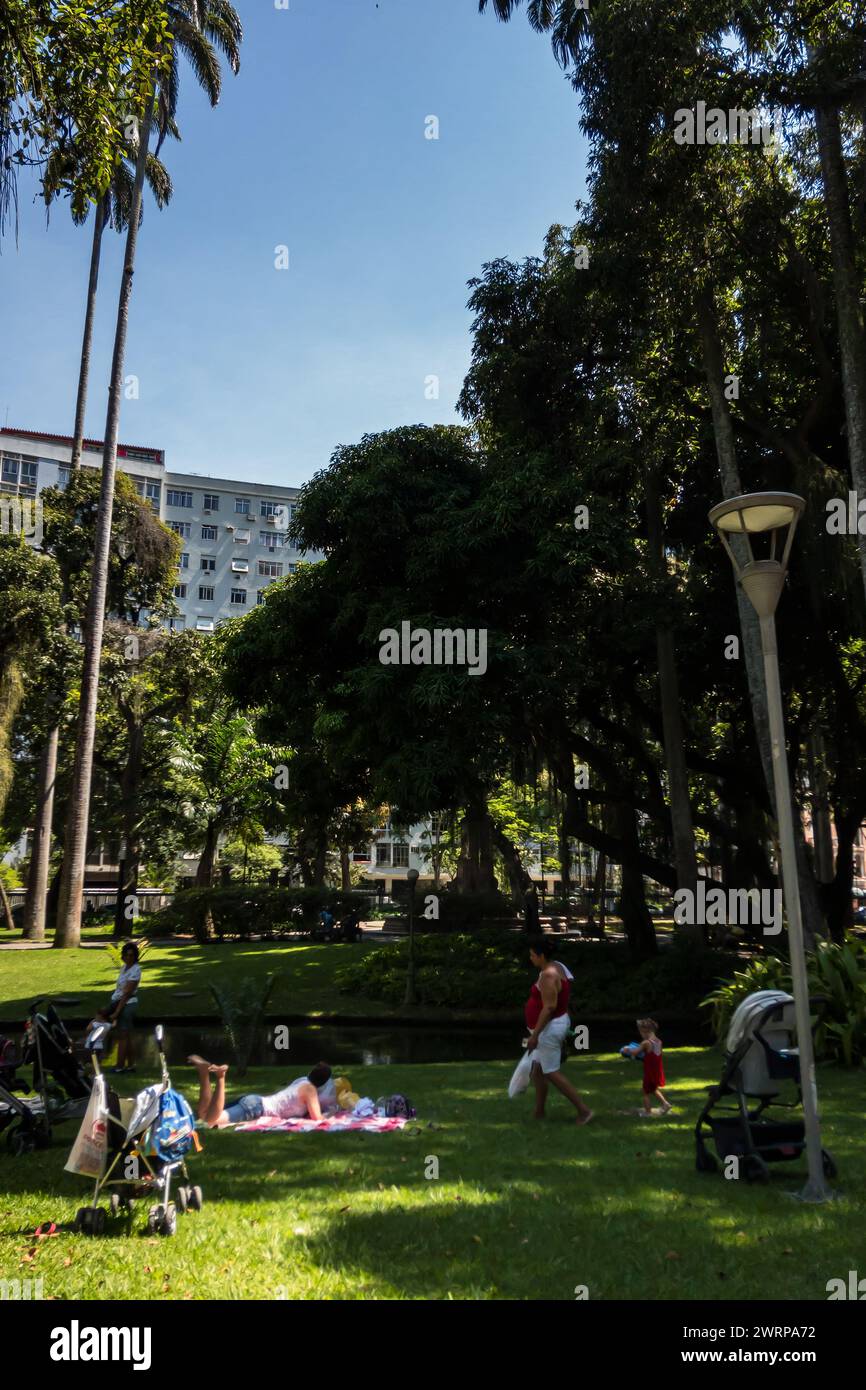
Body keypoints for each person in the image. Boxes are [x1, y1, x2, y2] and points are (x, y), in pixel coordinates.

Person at [525, 935, 592, 1125]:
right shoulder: (558, 966)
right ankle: (539, 1112)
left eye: (532, 955)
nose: (530, 958)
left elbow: (549, 1007)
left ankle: (584, 1111)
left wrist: (535, 1036)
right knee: (537, 1071)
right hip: (555, 1024)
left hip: (549, 1028)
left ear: (542, 955)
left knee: (550, 1072)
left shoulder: (548, 975)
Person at [189, 1056, 335, 1128]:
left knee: (205, 1116)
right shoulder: (310, 1090)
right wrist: (330, 1113)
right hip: (256, 1108)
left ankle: (203, 1072)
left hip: (254, 1101)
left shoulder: (302, 1081)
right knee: (210, 1121)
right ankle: (221, 1077)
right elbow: (317, 1118)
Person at [92, 942, 141, 1073]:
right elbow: (119, 990)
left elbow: (127, 994)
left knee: (123, 1035)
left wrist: (117, 1012)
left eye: (132, 955)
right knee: (125, 1034)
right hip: (117, 1001)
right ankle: (131, 1065)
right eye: (127, 955)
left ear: (135, 956)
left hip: (127, 1003)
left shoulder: (136, 970)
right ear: (123, 956)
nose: (129, 957)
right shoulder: (124, 967)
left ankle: (119, 1066)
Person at [633, 1017, 671, 1116]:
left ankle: (647, 1112)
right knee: (653, 1089)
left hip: (649, 1072)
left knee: (645, 1092)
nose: (640, 1034)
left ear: (645, 1031)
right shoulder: (658, 1041)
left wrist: (626, 1049)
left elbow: (635, 1052)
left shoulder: (646, 1043)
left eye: (640, 1032)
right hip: (657, 1071)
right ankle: (665, 1104)